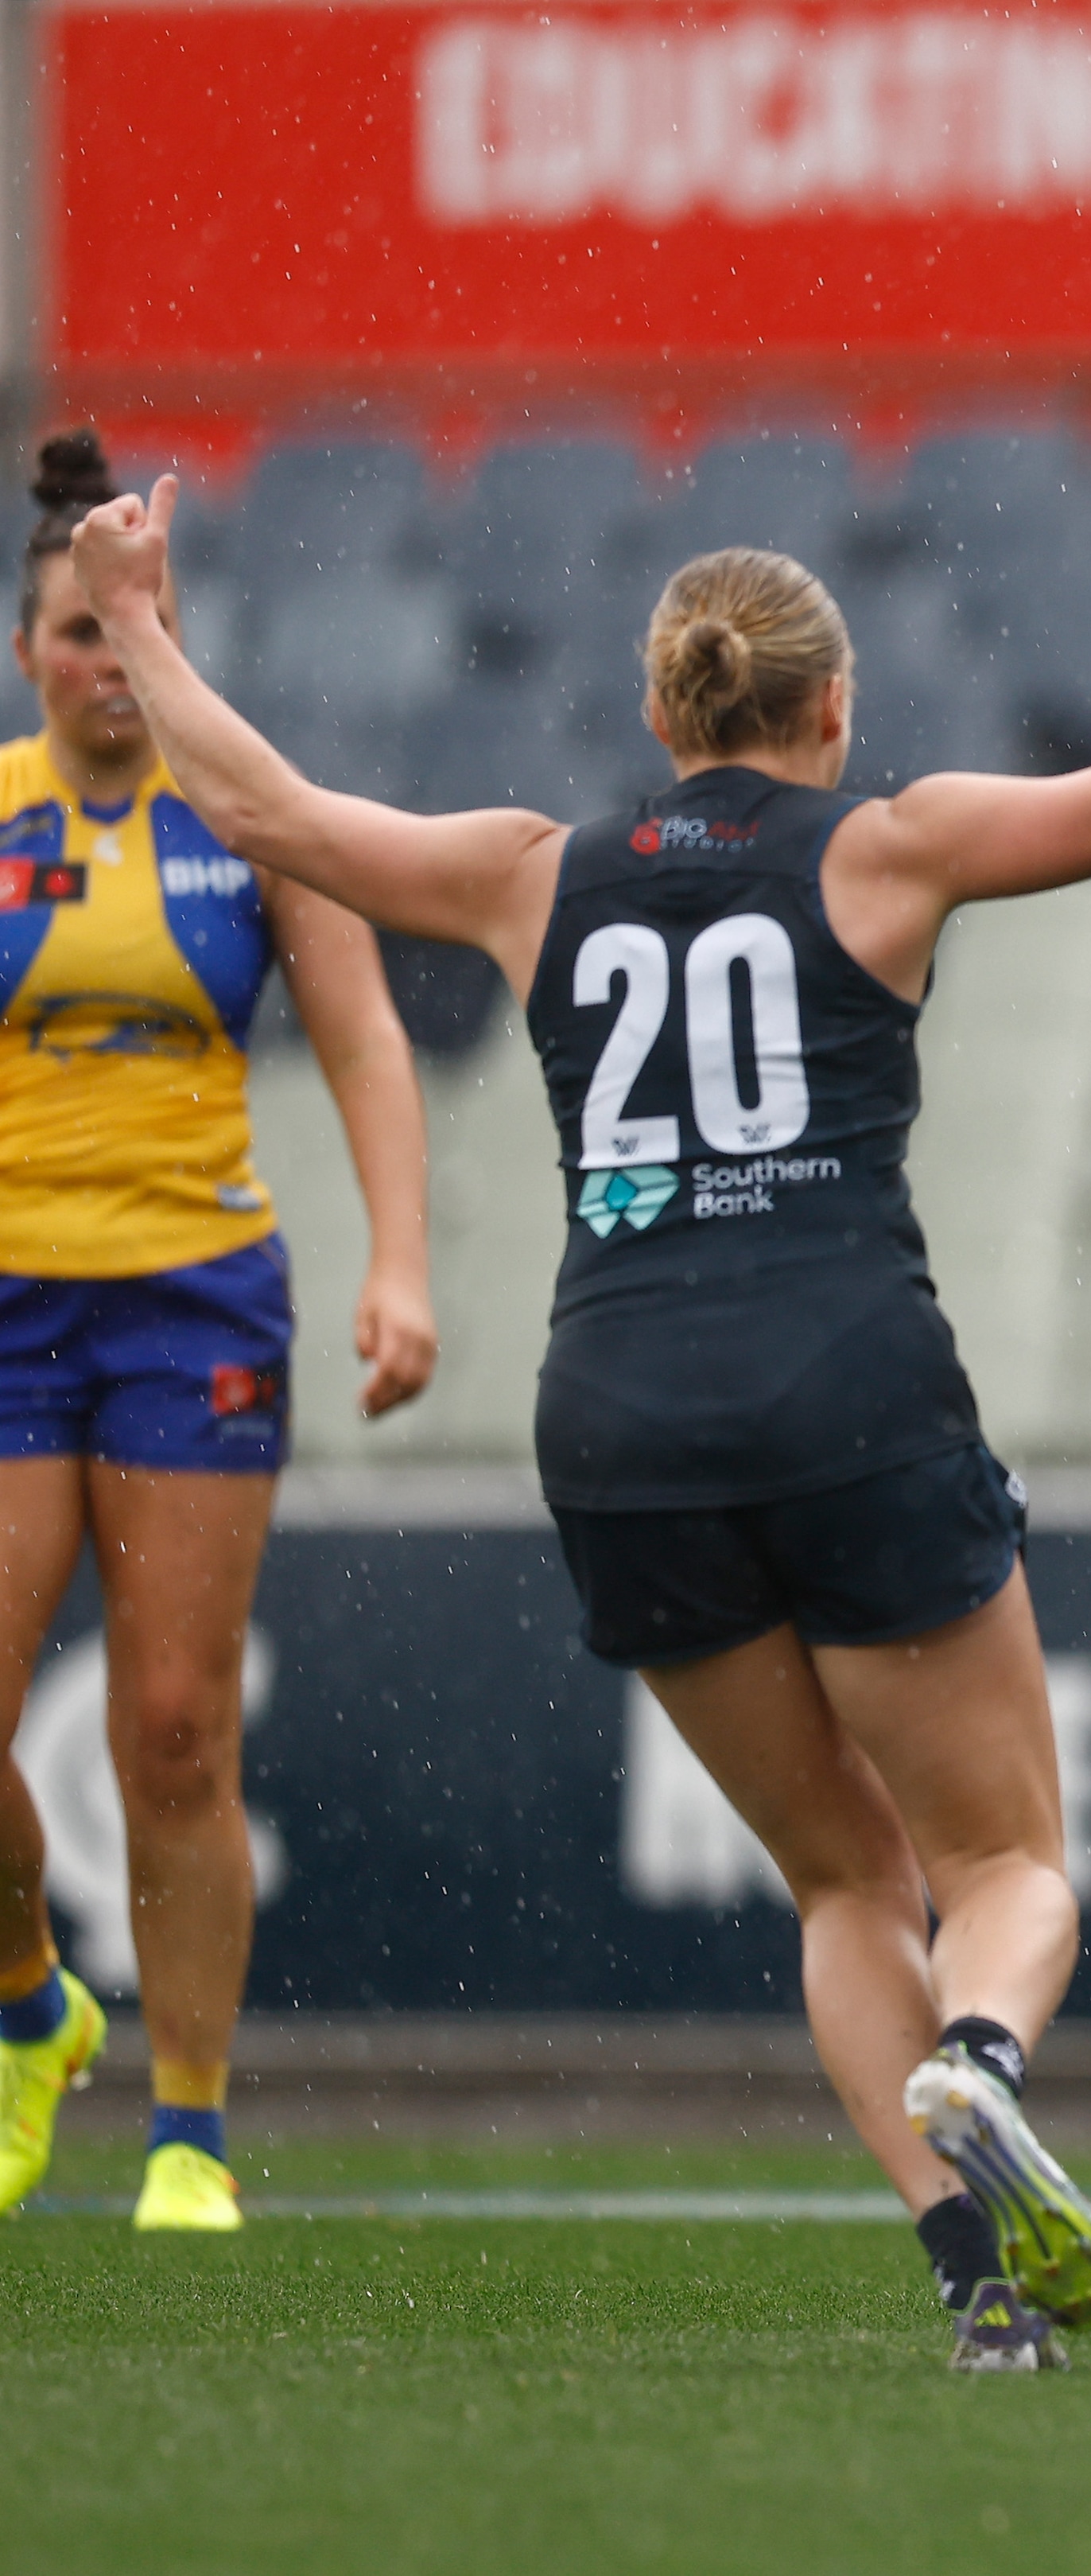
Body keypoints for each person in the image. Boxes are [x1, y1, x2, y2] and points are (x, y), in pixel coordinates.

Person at [62, 422, 1091, 2368]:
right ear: (832, 705)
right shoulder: (888, 844)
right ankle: (980, 2053)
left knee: (838, 1873)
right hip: (842, 1376)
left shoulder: (537, 873)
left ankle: (973, 2282)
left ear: (657, 707)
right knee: (1005, 1867)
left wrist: (137, 622)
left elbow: (266, 813)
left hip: (615, 1411)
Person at [0, 431, 437, 2233]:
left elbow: (364, 1043)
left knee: (173, 1730)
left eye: (131, 624)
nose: (104, 657)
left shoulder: (252, 814)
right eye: (75, 629)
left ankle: (188, 2129)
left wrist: (399, 1261)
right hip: (10, 1299)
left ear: (171, 628)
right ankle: (33, 2005)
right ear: (33, 651)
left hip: (196, 1302)